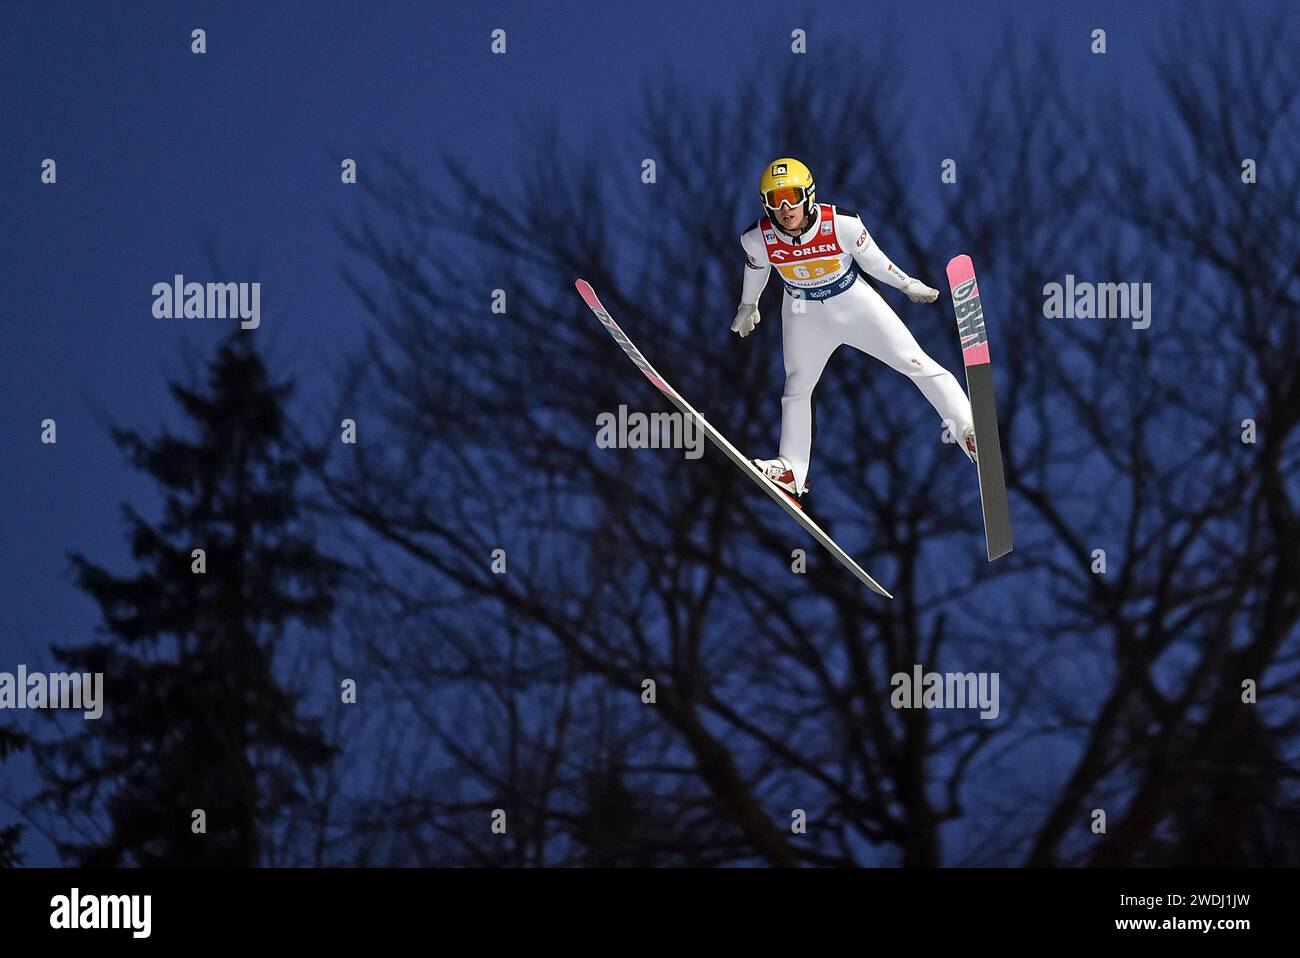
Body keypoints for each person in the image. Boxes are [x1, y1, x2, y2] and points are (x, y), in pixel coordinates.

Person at [734, 157, 977, 498]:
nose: (786, 208)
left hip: (853, 303)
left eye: (792, 196)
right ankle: (791, 470)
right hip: (803, 313)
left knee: (914, 362)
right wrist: (749, 304)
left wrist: (907, 285)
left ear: (808, 195)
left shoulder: (841, 224)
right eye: (776, 200)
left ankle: (968, 431)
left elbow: (874, 261)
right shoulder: (758, 238)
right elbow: (757, 268)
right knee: (796, 388)